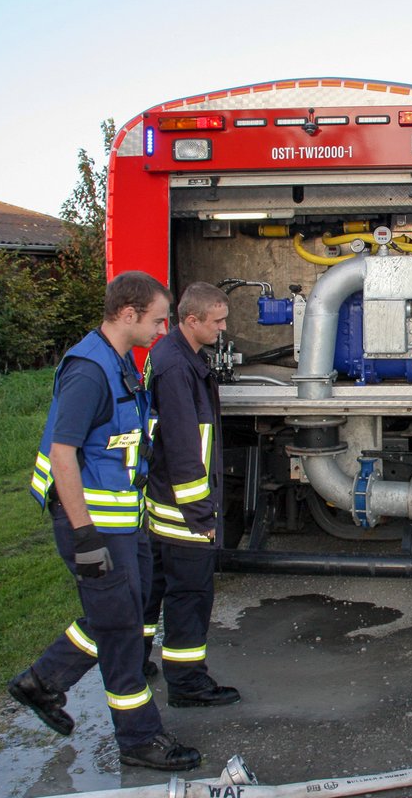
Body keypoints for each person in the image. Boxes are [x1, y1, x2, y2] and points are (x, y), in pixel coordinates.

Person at [9, 271, 201, 771]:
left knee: (125, 615)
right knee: (119, 630)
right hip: (93, 528)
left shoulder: (119, 362)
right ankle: (139, 739)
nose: (163, 330)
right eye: (158, 321)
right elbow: (63, 455)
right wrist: (85, 537)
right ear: (128, 314)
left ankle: (43, 681)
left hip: (122, 523)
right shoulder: (90, 371)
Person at [142, 282, 240, 707]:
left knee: (155, 586)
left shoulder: (176, 356)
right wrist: (201, 513)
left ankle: (136, 657)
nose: (223, 328)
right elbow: (184, 448)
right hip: (183, 509)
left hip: (166, 503)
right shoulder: (177, 368)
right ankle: (186, 684)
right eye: (217, 321)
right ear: (192, 320)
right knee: (190, 595)